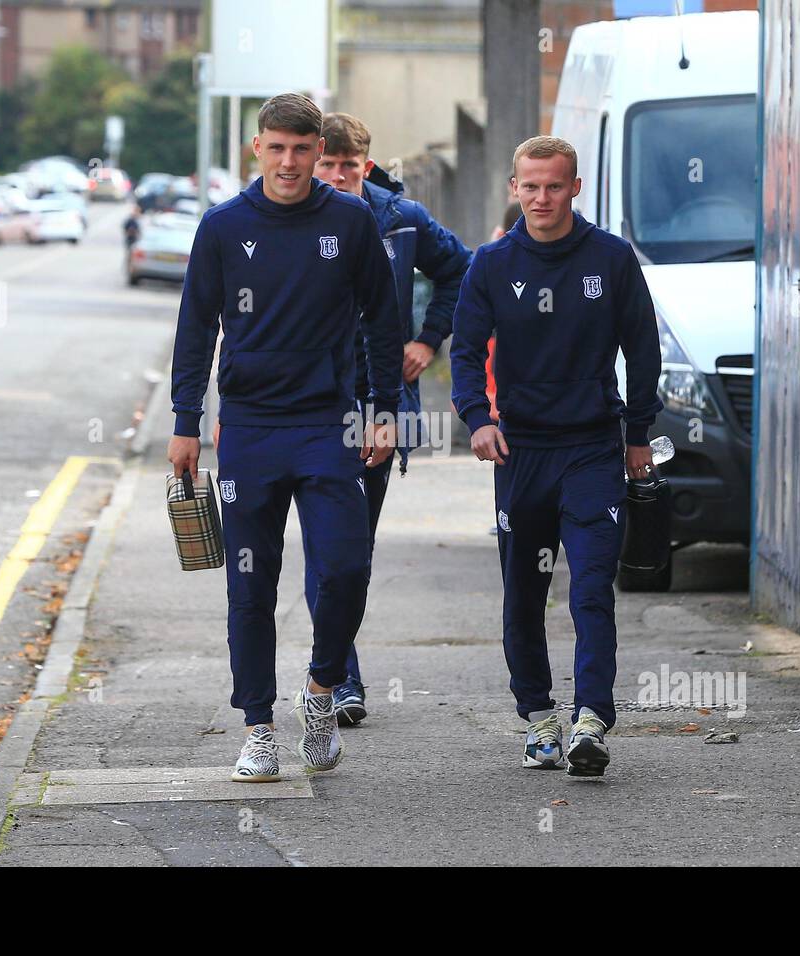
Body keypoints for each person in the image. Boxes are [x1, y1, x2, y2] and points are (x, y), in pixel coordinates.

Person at [168, 93, 403, 783]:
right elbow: (195, 326)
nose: (292, 162)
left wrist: (383, 409)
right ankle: (259, 729)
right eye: (278, 148)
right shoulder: (222, 227)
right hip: (247, 429)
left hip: (328, 426)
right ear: (258, 150)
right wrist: (186, 420)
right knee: (251, 585)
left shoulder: (350, 221)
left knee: (345, 569)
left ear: (314, 150)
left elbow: (382, 322)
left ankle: (323, 691)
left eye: (303, 149)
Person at [449, 135, 662, 777]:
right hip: (521, 451)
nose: (542, 198)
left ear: (576, 187)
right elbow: (464, 351)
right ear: (515, 189)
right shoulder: (490, 264)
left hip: (593, 447)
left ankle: (592, 720)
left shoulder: (611, 259)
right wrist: (476, 418)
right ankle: (540, 719)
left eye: (554, 185)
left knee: (593, 586)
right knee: (524, 592)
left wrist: (637, 436)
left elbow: (643, 350)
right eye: (530, 186)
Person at [307, 112, 471, 725]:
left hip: (378, 403)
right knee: (326, 546)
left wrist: (428, 341)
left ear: (366, 165)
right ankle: (340, 682)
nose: (338, 175)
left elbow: (462, 270)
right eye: (328, 163)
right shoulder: (295, 217)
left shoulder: (402, 219)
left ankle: (333, 670)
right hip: (308, 405)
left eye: (349, 165)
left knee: (352, 551)